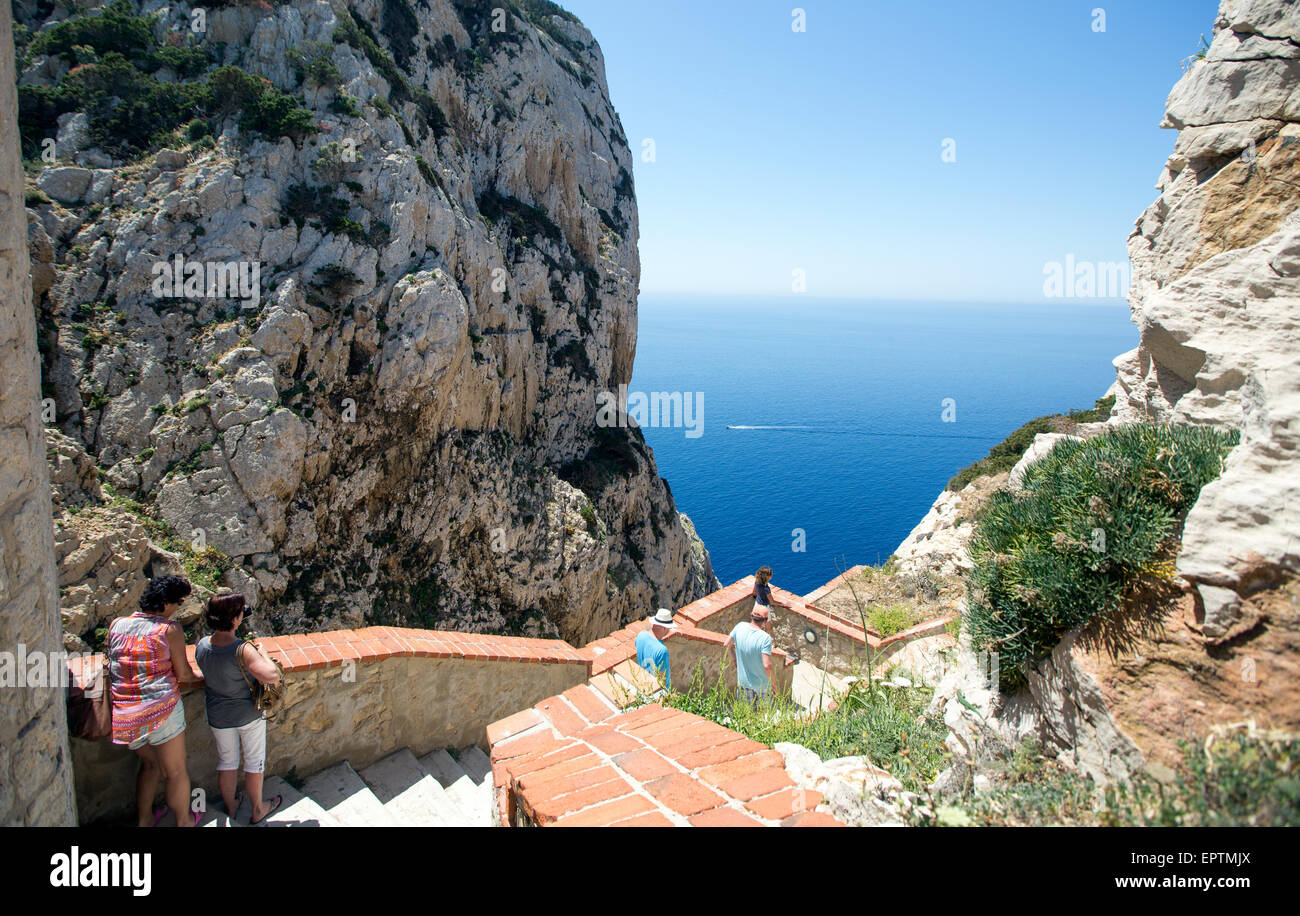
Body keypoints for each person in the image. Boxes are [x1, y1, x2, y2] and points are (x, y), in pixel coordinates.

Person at [108, 575, 198, 827]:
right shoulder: (169, 630)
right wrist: (199, 675)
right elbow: (183, 674)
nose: (178, 610)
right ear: (169, 603)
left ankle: (144, 820)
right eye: (179, 603)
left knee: (149, 765)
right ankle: (184, 821)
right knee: (175, 771)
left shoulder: (117, 624)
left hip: (125, 714)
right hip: (161, 710)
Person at [194, 593, 282, 825]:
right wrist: (262, 653)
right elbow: (271, 675)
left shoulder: (202, 646)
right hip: (247, 715)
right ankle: (258, 809)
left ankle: (232, 806)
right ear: (234, 620)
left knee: (227, 762)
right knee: (254, 763)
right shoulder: (242, 649)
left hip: (218, 716)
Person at [725, 605, 775, 704]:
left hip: (744, 683)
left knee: (746, 715)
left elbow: (726, 644)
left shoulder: (739, 626)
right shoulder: (765, 638)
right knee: (762, 714)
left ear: (751, 615)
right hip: (763, 686)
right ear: (765, 621)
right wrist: (774, 683)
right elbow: (767, 665)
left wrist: (735, 660)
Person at [634, 608, 676, 689]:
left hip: (643, 683)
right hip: (655, 691)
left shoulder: (641, 635)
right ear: (664, 628)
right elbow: (661, 681)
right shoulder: (662, 650)